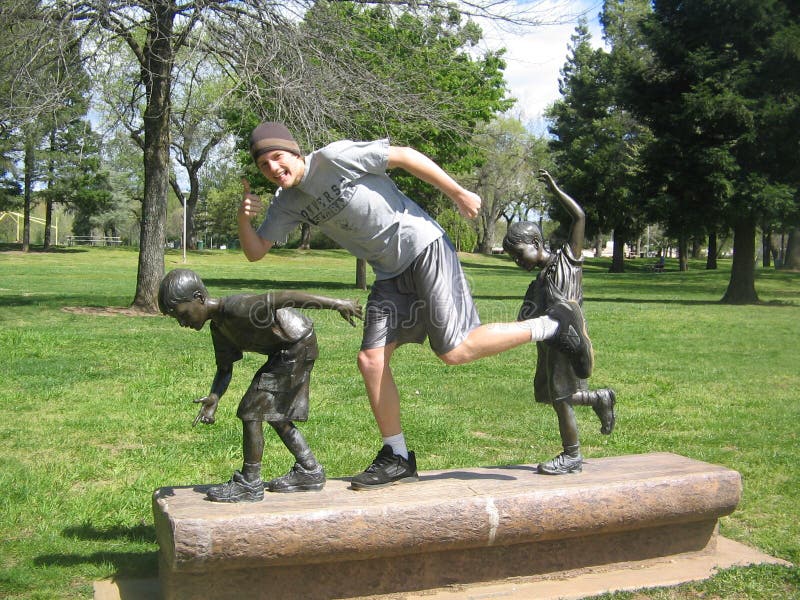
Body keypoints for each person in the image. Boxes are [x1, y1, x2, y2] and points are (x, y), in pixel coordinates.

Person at [237, 122, 593, 489]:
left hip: (424, 247)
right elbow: (255, 251)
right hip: (390, 274)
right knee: (371, 360)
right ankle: (398, 456)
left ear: (294, 152)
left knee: (456, 350)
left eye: (278, 158)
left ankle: (552, 326)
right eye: (264, 166)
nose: (274, 169)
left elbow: (404, 156)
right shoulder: (287, 203)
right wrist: (244, 218)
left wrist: (458, 193)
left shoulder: (334, 157)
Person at [158, 268, 362, 502]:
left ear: (199, 298)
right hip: (286, 350)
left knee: (251, 410)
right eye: (176, 318)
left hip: (296, 345)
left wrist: (338, 303)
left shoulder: (238, 307)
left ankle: (249, 482)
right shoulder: (219, 328)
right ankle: (310, 470)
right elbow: (225, 369)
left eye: (182, 313)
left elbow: (286, 297)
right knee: (274, 414)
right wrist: (214, 396)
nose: (181, 322)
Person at [502, 170, 616, 475]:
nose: (518, 261)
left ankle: (572, 455)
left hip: (569, 338)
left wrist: (554, 188)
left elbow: (579, 217)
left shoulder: (569, 258)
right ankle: (599, 398)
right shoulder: (538, 281)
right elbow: (524, 317)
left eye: (520, 253)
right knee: (555, 394)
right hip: (550, 343)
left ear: (537, 242)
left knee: (561, 398)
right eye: (513, 258)